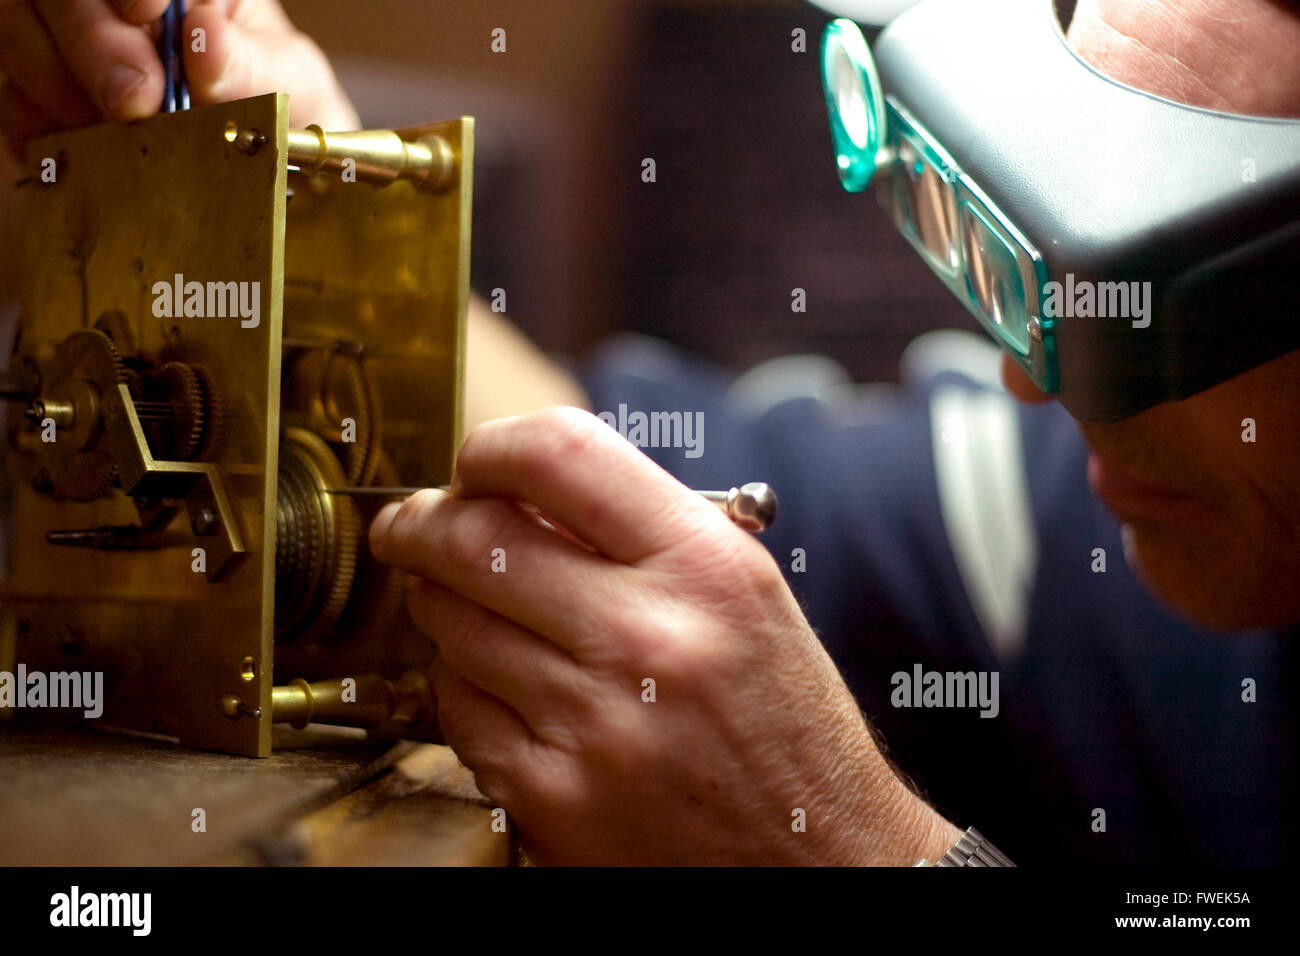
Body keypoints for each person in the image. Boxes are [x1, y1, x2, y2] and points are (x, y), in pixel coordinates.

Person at [2, 0, 1297, 865]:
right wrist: (308, 172)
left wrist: (850, 850)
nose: (1038, 384)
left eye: (1142, 314)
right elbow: (610, 479)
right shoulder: (1059, 516)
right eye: (1033, 280)